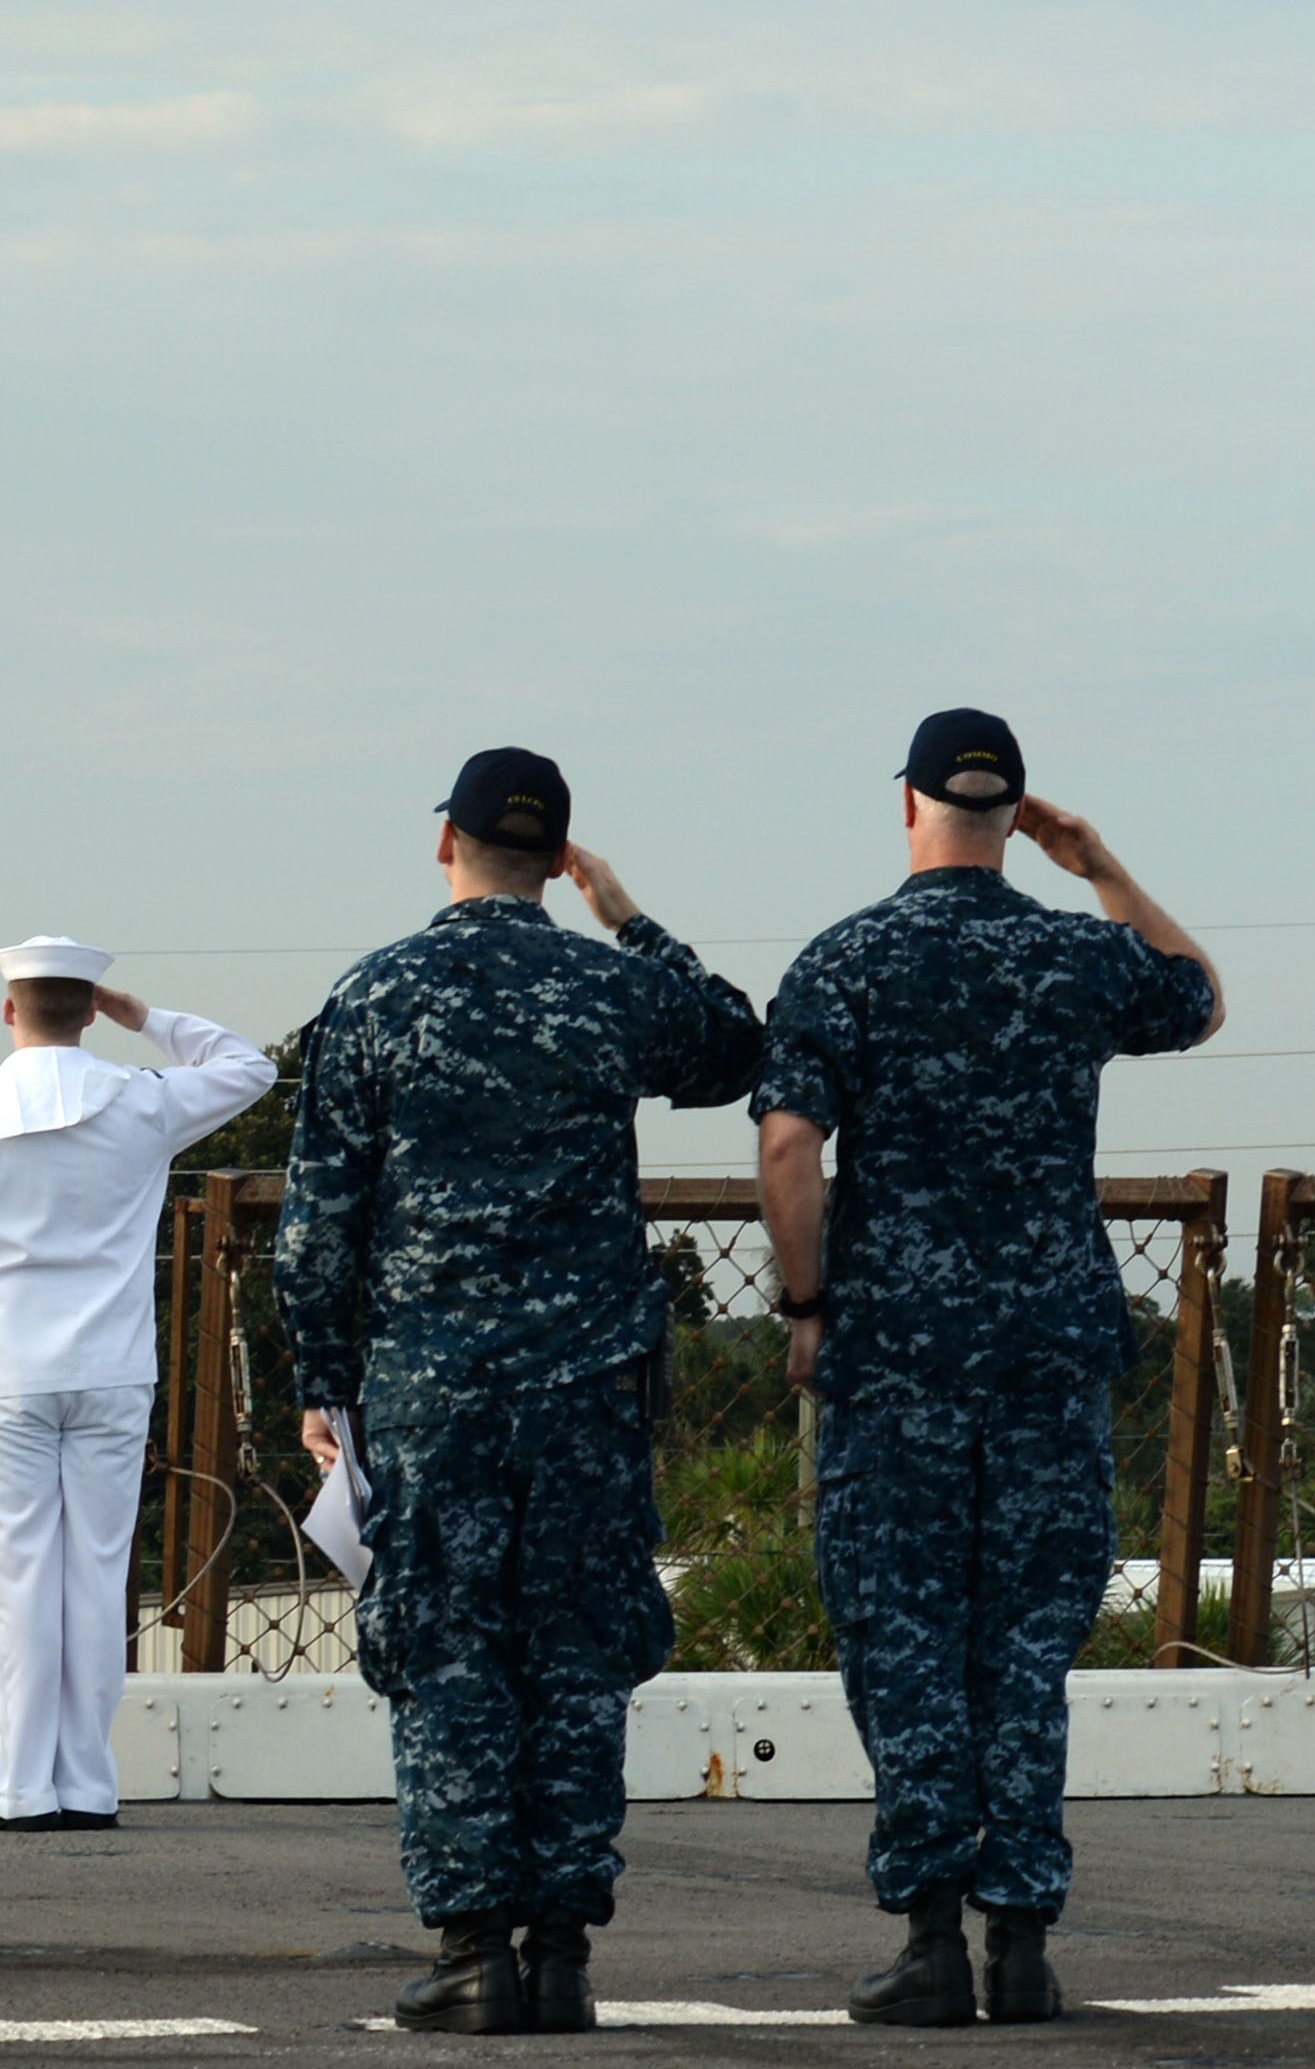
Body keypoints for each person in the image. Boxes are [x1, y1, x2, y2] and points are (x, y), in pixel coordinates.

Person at [280, 747, 766, 2036]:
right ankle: (557, 1950)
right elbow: (733, 1041)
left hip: (432, 1385)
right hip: (585, 1389)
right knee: (573, 1653)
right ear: (557, 856)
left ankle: (467, 1946)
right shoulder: (606, 989)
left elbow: (317, 1222)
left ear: (441, 840)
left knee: (446, 1654)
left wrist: (321, 1378)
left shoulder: (376, 994)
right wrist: (628, 917)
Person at [757, 711, 1224, 2030]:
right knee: (1025, 1645)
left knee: (901, 1639)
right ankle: (1019, 1941)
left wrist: (808, 1302)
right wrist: (1100, 867)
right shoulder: (1073, 955)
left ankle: (928, 1941)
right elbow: (1196, 992)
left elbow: (791, 1144)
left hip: (896, 1357)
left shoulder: (846, 961)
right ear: (1016, 814)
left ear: (905, 803)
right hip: (1047, 1352)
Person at [0, 934, 277, 1831]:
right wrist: (144, 1016)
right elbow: (247, 1068)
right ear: (88, 1009)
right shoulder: (142, 1099)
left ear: (8, 1010)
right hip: (113, 1371)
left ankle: (22, 1785)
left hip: (5, 1375)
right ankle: (88, 1779)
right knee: (99, 1571)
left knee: (22, 1578)